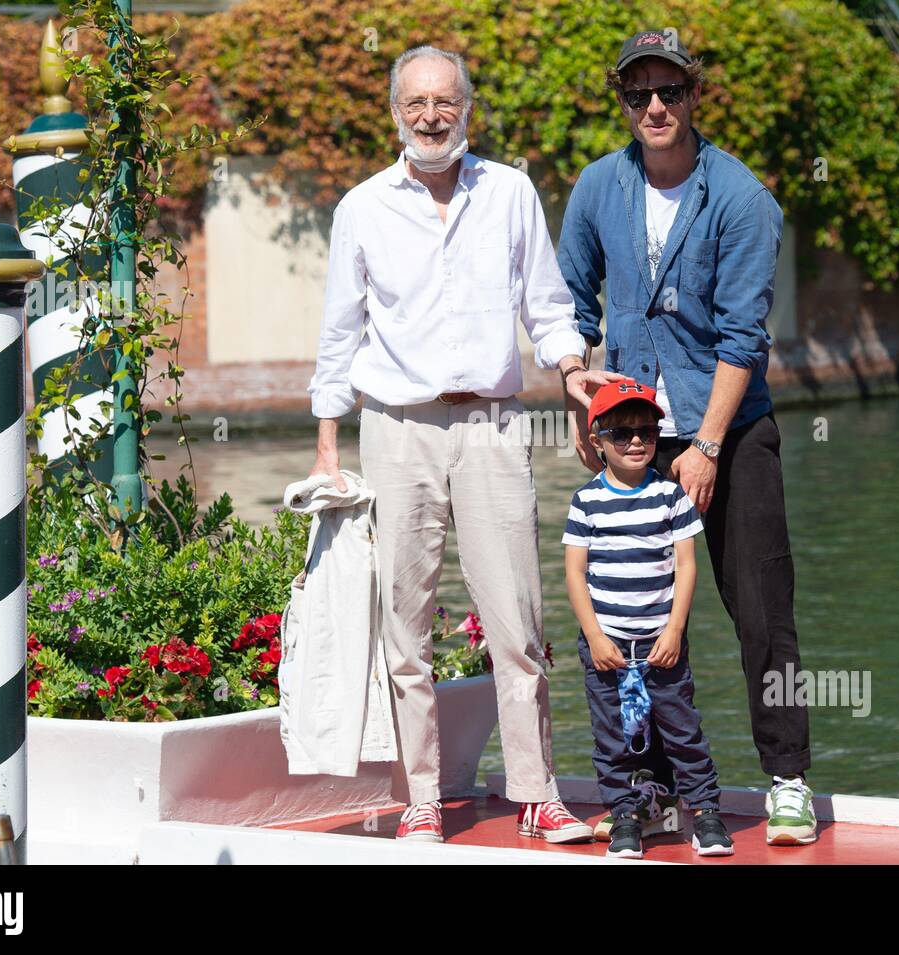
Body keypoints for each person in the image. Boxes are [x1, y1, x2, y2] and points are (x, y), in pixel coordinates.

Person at [308, 45, 620, 844]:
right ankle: (420, 797)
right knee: (403, 622)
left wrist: (574, 370)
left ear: (467, 109)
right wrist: (325, 445)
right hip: (396, 429)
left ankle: (537, 792)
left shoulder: (510, 192)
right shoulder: (362, 208)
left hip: (492, 424)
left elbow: (547, 305)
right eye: (415, 103)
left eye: (444, 102)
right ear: (394, 112)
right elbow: (340, 333)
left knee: (515, 614)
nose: (430, 116)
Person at [558, 30, 817, 846]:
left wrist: (704, 446)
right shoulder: (598, 187)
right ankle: (657, 785)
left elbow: (745, 339)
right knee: (634, 609)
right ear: (624, 103)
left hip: (730, 432)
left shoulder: (742, 197)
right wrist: (577, 391)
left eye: (670, 91)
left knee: (762, 612)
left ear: (694, 96)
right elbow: (568, 301)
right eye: (639, 95)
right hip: (633, 434)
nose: (656, 107)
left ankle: (788, 780)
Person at [564, 381, 733, 859]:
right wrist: (595, 637)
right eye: (621, 433)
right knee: (613, 740)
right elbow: (576, 575)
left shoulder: (670, 496)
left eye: (647, 431)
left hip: (663, 647)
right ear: (598, 440)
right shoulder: (585, 503)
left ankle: (705, 813)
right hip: (608, 651)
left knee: (684, 732)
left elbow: (687, 565)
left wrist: (676, 629)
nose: (636, 441)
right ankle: (625, 817)